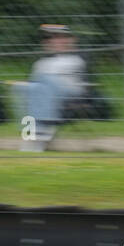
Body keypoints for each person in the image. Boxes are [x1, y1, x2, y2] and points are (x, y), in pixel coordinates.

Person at [20, 24, 87, 152]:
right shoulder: (40, 63)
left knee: (44, 79)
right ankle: (32, 134)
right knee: (24, 89)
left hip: (70, 94)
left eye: (60, 38)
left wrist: (42, 80)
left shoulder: (75, 59)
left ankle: (39, 133)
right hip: (44, 97)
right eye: (52, 39)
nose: (55, 41)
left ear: (69, 41)